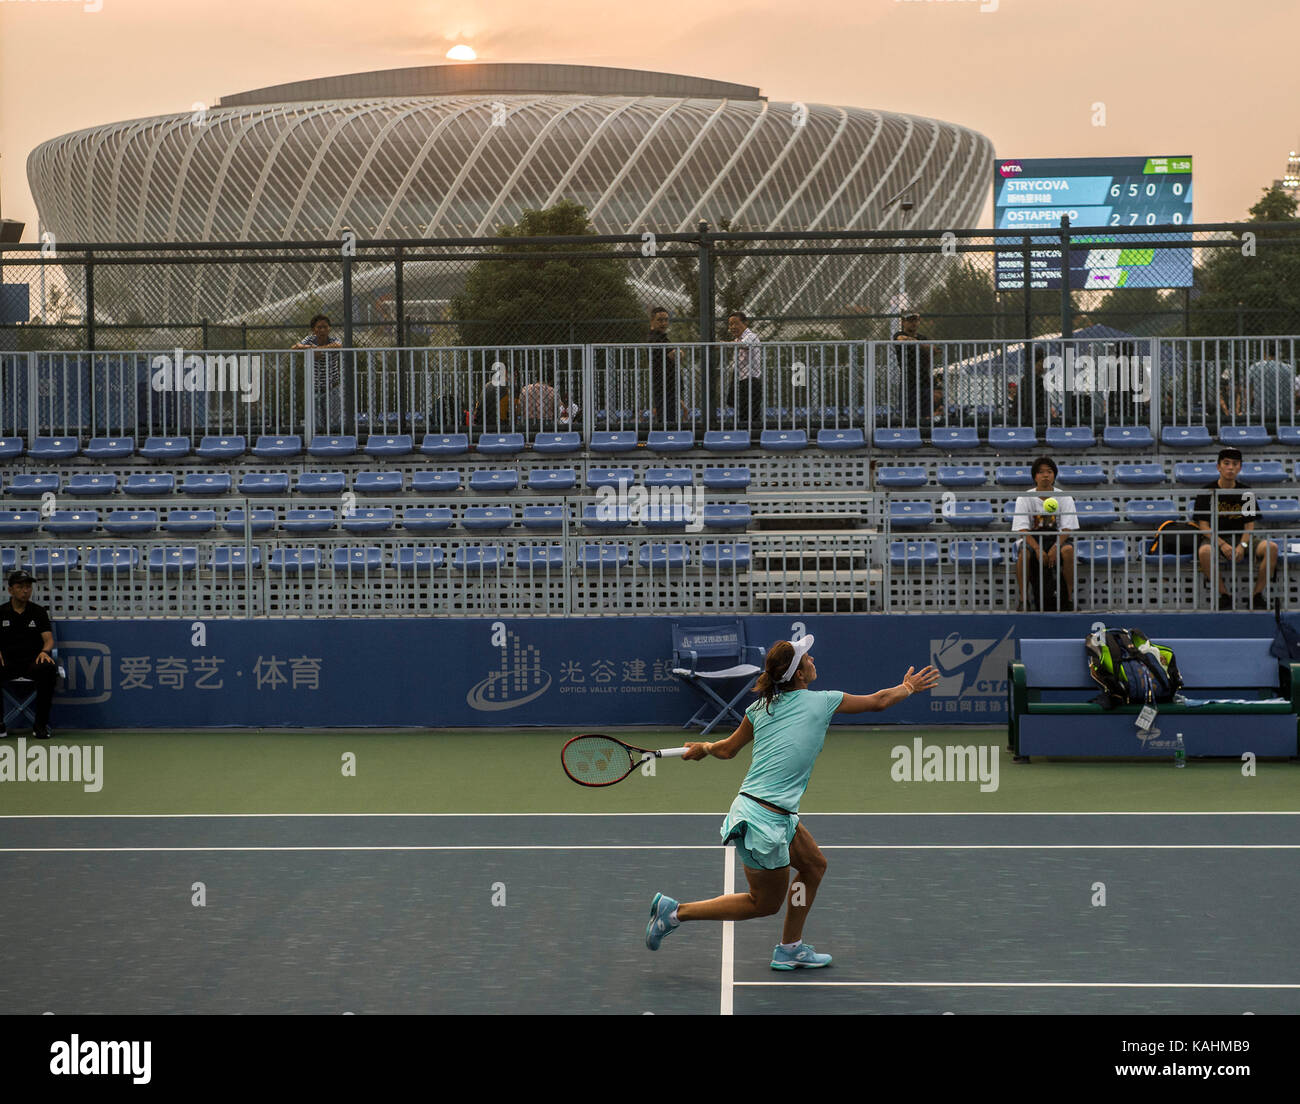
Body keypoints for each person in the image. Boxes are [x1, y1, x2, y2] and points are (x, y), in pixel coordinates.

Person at [644, 635, 940, 969]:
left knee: (813, 866)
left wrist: (704, 748)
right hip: (762, 820)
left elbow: (727, 749)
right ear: (799, 675)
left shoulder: (760, 708)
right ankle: (676, 912)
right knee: (763, 903)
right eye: (808, 658)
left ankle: (790, 947)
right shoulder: (823, 701)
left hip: (777, 814)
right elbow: (880, 701)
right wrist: (909, 687)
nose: (813, 659)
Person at [1193, 446, 1277, 610]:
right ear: (1219, 466)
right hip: (1215, 538)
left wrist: (1242, 546)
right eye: (1226, 463)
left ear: (1240, 467)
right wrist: (1222, 544)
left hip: (1242, 538)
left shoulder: (1246, 493)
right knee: (1204, 552)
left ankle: (1256, 596)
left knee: (1271, 548)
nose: (1230, 468)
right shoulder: (1207, 492)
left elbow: (1249, 525)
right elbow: (1203, 526)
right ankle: (1224, 596)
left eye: (1235, 464)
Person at [1012, 456, 1078, 612]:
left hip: (1057, 539)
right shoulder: (1024, 498)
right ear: (1035, 476)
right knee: (1023, 556)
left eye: (1049, 472)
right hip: (1033, 540)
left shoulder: (1065, 497)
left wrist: (1056, 547)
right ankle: (1024, 600)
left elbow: (1067, 528)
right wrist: (1036, 549)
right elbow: (1022, 529)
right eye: (1041, 472)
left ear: (1054, 475)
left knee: (1068, 551)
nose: (1045, 475)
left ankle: (1068, 599)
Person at [0, 571, 59, 740]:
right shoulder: (1, 612)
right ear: (10, 590)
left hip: (32, 662)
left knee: (48, 669)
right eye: (20, 587)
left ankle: (40, 725)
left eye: (28, 587)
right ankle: (0, 724)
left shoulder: (38, 612)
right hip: (7, 663)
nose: (25, 591)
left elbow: (48, 640)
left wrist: (44, 652)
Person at [292, 314, 343, 433]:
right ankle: (318, 443)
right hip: (314, 389)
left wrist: (319, 349)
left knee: (334, 423)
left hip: (332, 387)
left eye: (325, 327)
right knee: (316, 424)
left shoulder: (334, 340)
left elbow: (338, 345)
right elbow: (295, 347)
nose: (322, 330)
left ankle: (333, 444)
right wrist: (310, 348)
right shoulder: (309, 340)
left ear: (329, 328)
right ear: (313, 330)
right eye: (319, 327)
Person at [890, 312, 938, 427]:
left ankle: (925, 433)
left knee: (926, 412)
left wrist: (920, 344)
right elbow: (901, 339)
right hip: (909, 380)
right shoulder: (899, 334)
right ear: (903, 322)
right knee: (908, 412)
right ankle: (909, 432)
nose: (913, 323)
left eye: (915, 320)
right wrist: (921, 344)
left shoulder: (923, 337)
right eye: (910, 321)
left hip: (924, 379)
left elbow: (934, 350)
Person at [725, 311, 763, 431]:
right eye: (730, 325)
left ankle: (754, 435)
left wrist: (723, 344)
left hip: (751, 379)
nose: (732, 327)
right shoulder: (738, 340)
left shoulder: (751, 336)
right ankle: (744, 431)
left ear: (745, 323)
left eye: (735, 323)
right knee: (740, 408)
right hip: (741, 379)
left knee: (751, 412)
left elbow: (745, 344)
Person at [647, 306, 684, 430]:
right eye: (660, 320)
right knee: (667, 419)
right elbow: (675, 355)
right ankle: (667, 438)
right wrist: (678, 352)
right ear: (652, 321)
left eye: (666, 320)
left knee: (670, 416)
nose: (664, 323)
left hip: (668, 385)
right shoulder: (655, 339)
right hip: (663, 385)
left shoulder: (662, 338)